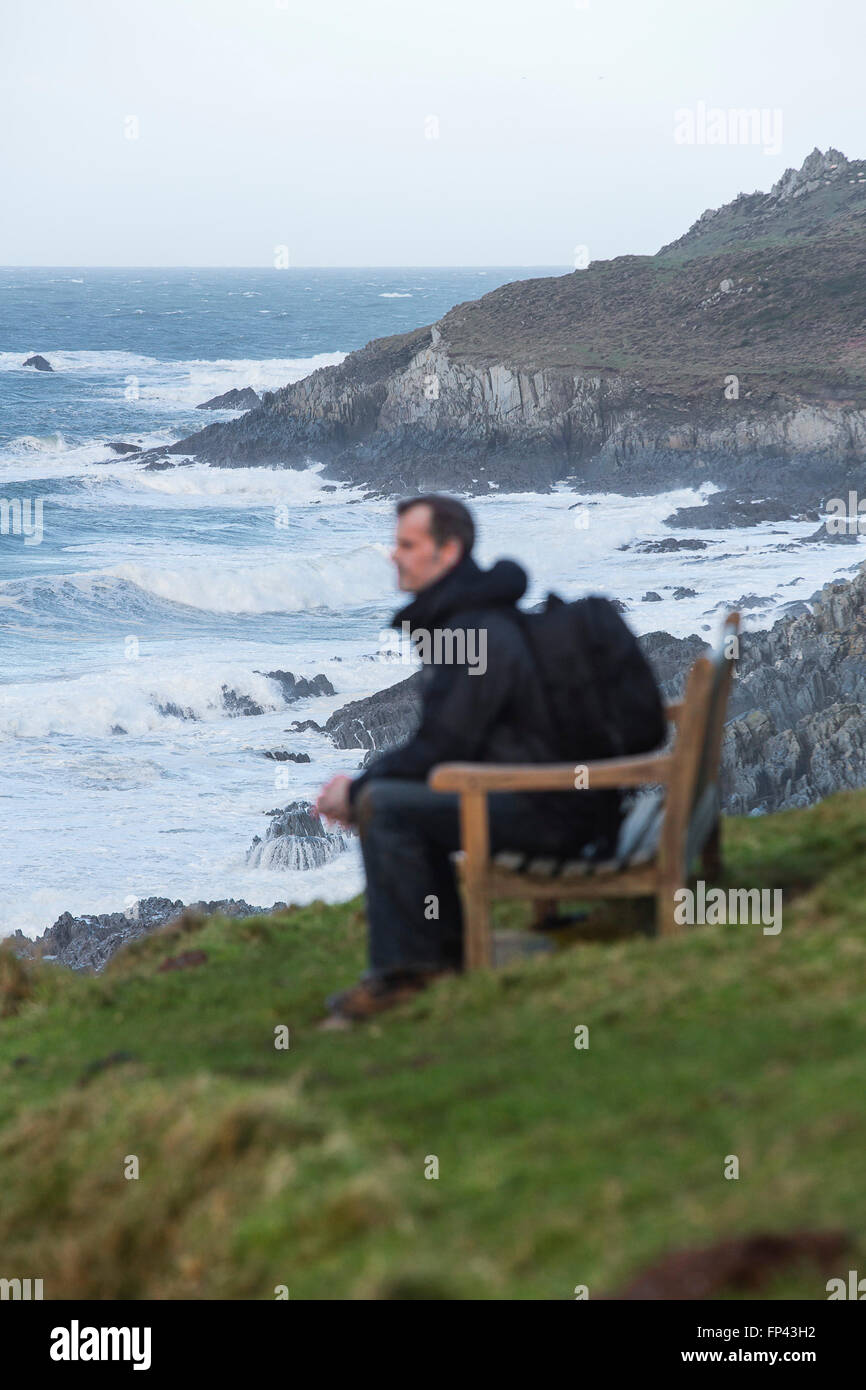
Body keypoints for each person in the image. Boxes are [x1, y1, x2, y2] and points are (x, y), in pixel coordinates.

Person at [315, 494, 622, 1022]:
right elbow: (453, 743)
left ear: (448, 551)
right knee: (393, 798)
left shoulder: (471, 630)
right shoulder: (468, 617)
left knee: (387, 806)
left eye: (408, 545)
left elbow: (446, 747)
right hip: (554, 797)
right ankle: (437, 954)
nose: (394, 555)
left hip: (553, 812)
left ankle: (409, 972)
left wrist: (359, 788)